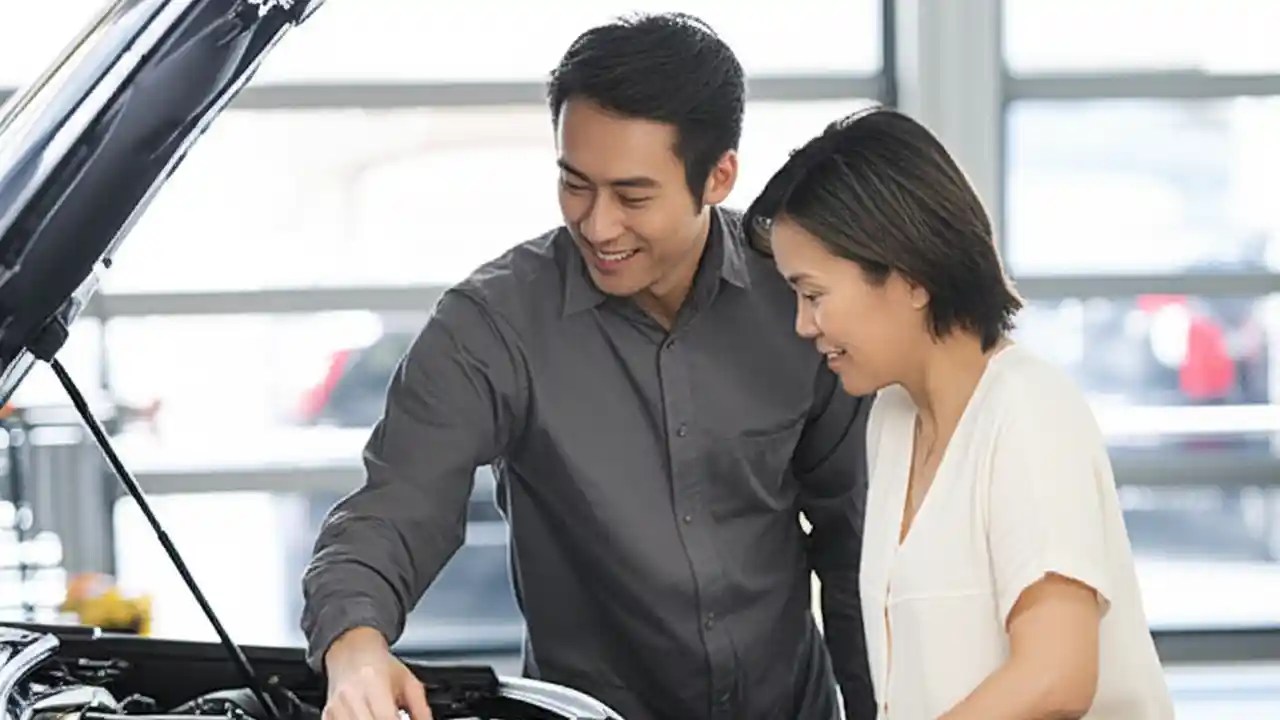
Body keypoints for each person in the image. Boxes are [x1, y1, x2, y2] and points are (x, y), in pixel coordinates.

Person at [301, 13, 876, 720]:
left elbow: (858, 544)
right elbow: (392, 508)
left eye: (633, 196)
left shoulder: (797, 299)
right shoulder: (492, 325)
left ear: (719, 176)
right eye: (576, 184)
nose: (598, 225)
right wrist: (355, 646)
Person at [743, 106, 1177, 719]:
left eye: (814, 295)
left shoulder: (1026, 411)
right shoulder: (892, 419)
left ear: (911, 278)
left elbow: (1056, 675)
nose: (802, 324)